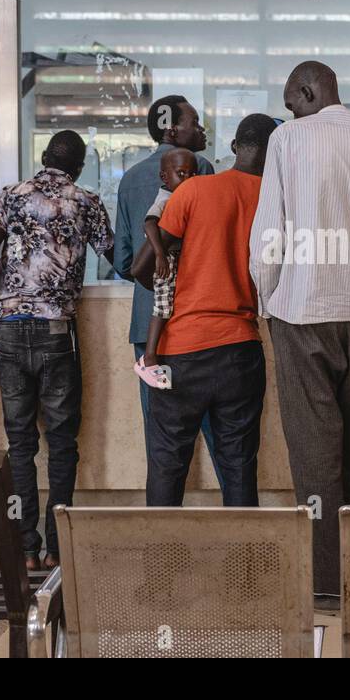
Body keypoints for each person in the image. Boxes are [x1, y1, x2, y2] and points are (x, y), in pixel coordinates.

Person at [248, 61, 350, 607]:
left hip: (301, 309)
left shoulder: (287, 139)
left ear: (309, 91)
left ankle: (325, 585)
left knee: (316, 450)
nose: (290, 110)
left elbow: (269, 234)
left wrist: (266, 298)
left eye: (292, 99)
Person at [0, 130, 113, 570]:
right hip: (56, 331)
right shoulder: (86, 201)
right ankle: (58, 548)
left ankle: (26, 547)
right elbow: (116, 256)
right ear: (79, 165)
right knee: (62, 443)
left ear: (42, 158)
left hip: (11, 329)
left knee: (20, 444)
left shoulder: (9, 196)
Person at [132, 114, 275, 506]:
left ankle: (162, 565)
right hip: (241, 349)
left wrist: (174, 272)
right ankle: (244, 567)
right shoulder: (276, 199)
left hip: (182, 351)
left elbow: (142, 268)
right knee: (239, 465)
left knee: (167, 463)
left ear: (235, 146)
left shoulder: (194, 191)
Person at [114, 96, 216, 446]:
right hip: (195, 317)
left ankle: (162, 503)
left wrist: (155, 277)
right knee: (218, 434)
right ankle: (235, 503)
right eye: (195, 122)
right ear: (172, 129)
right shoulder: (200, 168)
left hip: (147, 321)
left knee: (159, 436)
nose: (201, 129)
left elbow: (124, 260)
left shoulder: (128, 179)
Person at [133, 147, 200, 389]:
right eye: (181, 174)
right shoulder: (165, 198)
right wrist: (160, 254)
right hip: (167, 260)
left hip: (179, 258)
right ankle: (149, 357)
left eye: (192, 175)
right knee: (162, 306)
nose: (187, 180)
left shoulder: (188, 196)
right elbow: (150, 224)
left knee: (172, 304)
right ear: (165, 177)